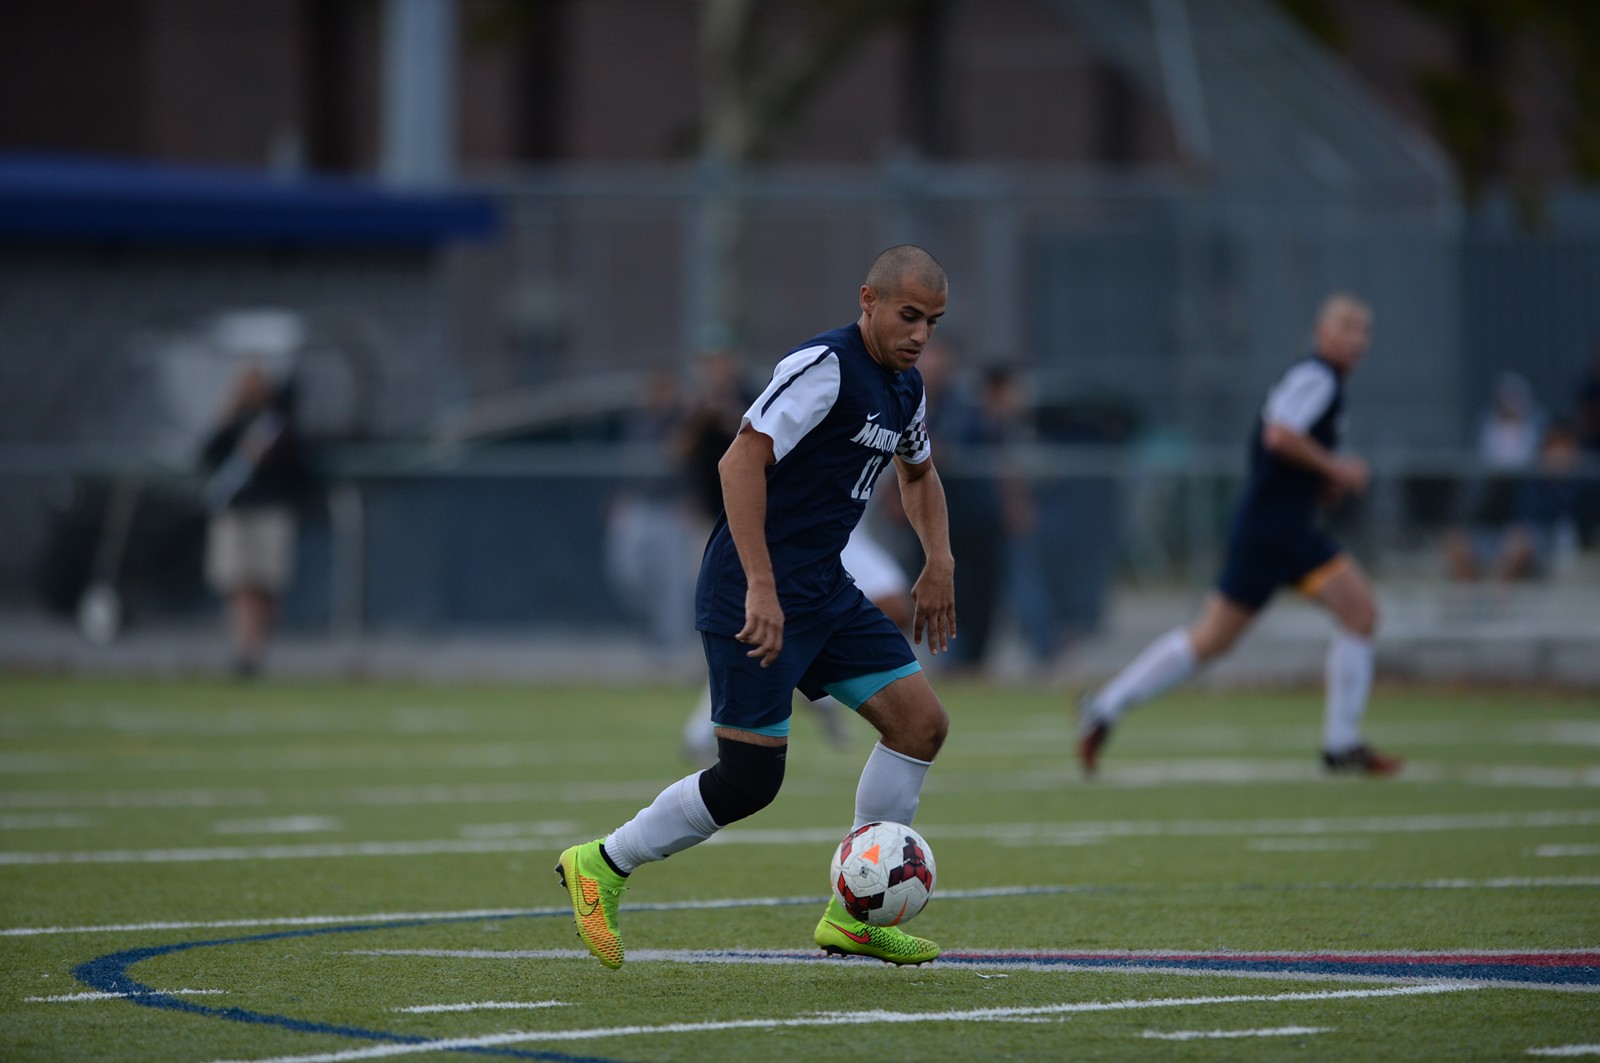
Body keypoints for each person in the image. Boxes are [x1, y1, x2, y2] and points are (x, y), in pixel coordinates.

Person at [556, 244, 957, 968]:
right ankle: (601, 863)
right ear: (867, 301)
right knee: (749, 781)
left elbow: (919, 475)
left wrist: (940, 559)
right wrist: (762, 584)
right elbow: (738, 459)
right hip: (751, 588)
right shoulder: (825, 366)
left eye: (932, 320)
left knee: (921, 724)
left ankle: (854, 917)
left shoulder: (906, 387)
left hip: (824, 590)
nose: (920, 333)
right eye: (908, 315)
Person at [1076, 293, 1401, 777]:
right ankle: (1340, 744)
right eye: (1346, 327)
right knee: (1357, 613)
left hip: (1277, 526)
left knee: (1215, 640)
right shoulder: (1317, 377)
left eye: (1363, 330)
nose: (1355, 339)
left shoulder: (1321, 381)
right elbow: (1280, 436)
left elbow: (1280, 444)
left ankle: (1105, 705)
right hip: (1276, 529)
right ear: (1320, 331)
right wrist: (1337, 468)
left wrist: (1319, 481)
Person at [199, 361, 307, 678]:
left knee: (266, 587)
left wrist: (270, 459)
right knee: (240, 584)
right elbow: (206, 457)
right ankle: (246, 652)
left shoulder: (278, 423)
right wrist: (224, 419)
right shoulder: (232, 422)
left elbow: (300, 467)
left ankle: (257, 648)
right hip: (236, 510)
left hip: (270, 509)